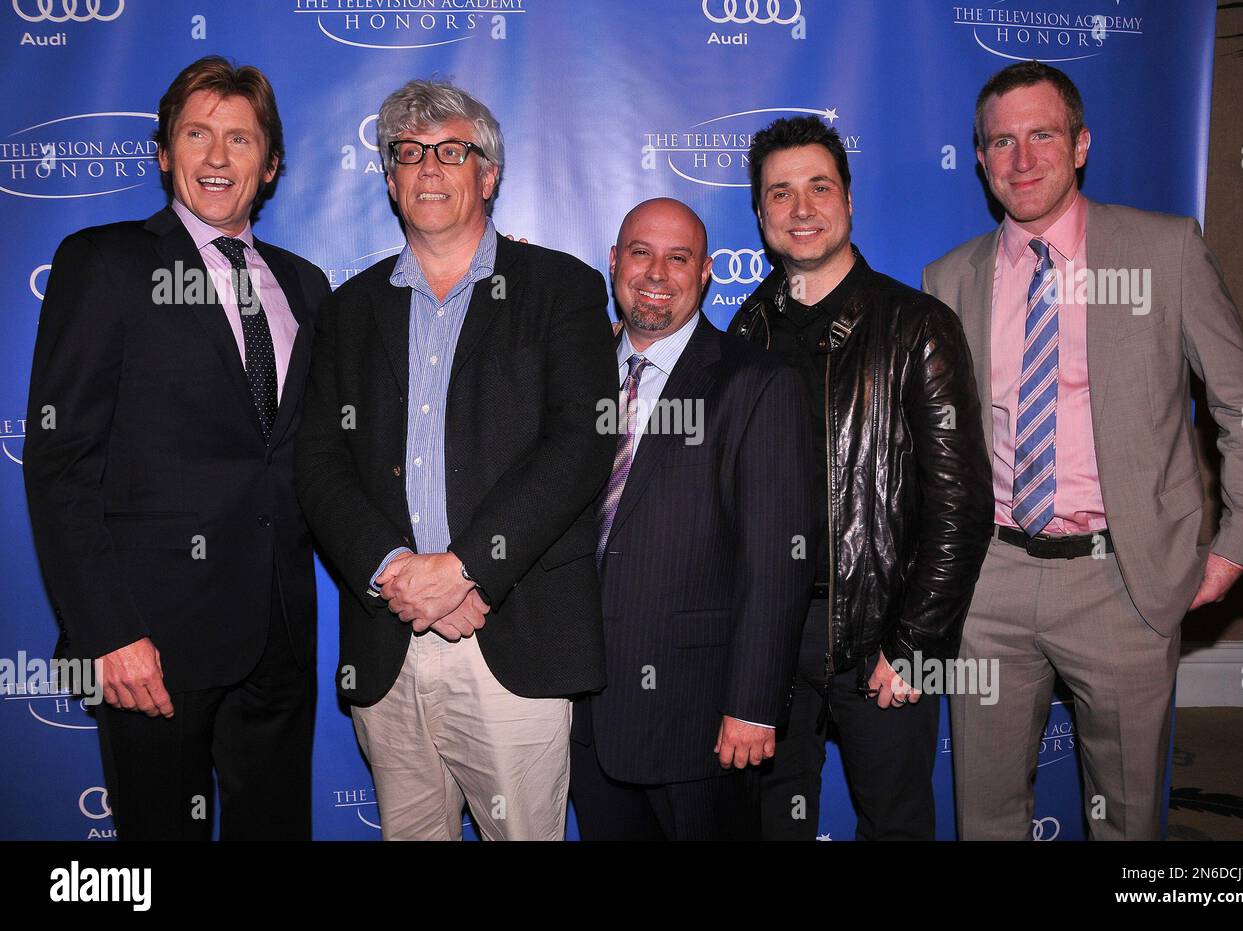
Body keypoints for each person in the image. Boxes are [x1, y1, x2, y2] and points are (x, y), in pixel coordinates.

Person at [923, 61, 1243, 840]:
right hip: (990, 584)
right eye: (1001, 142)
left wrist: (1237, 545)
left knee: (1128, 815)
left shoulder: (1164, 251)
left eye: (1042, 135)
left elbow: (1242, 404)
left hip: (1123, 578)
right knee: (985, 812)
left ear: (1081, 144)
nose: (1021, 160)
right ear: (980, 159)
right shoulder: (948, 279)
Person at [294, 78, 617, 841]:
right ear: (391, 178)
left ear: (489, 174)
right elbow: (318, 460)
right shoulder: (348, 309)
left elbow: (580, 444)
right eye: (408, 153)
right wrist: (394, 570)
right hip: (388, 638)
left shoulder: (563, 290)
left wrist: (467, 567)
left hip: (513, 635)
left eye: (451, 151)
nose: (429, 168)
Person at [23, 56, 328, 840]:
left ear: (271, 166)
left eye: (240, 138)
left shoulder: (306, 285)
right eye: (197, 135)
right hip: (148, 648)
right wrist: (108, 633)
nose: (218, 157)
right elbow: (60, 465)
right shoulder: (105, 262)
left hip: (280, 641)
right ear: (165, 153)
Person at [729, 117, 993, 840]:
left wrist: (915, 642)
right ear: (759, 215)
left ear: (849, 199)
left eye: (819, 186)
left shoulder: (917, 326)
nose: (801, 207)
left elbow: (961, 506)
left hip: (885, 631)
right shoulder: (741, 334)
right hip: (770, 640)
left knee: (896, 824)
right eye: (780, 193)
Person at [567, 198, 814, 840]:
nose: (656, 273)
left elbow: (777, 560)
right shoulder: (574, 375)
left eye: (678, 258)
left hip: (702, 719)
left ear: (705, 272)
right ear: (614, 262)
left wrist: (754, 705)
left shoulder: (755, 382)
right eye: (641, 253)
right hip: (586, 714)